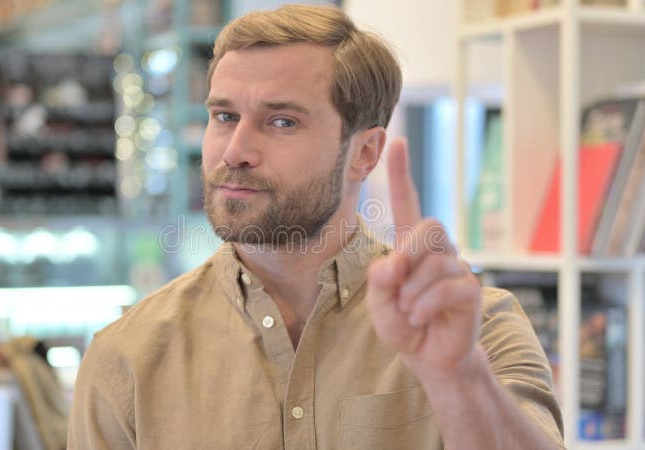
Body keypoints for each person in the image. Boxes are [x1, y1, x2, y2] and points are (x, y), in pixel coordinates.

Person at [67, 4, 564, 449]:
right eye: (224, 115)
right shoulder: (127, 359)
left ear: (364, 153)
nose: (235, 151)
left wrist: (458, 381)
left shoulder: (481, 331)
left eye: (282, 121)